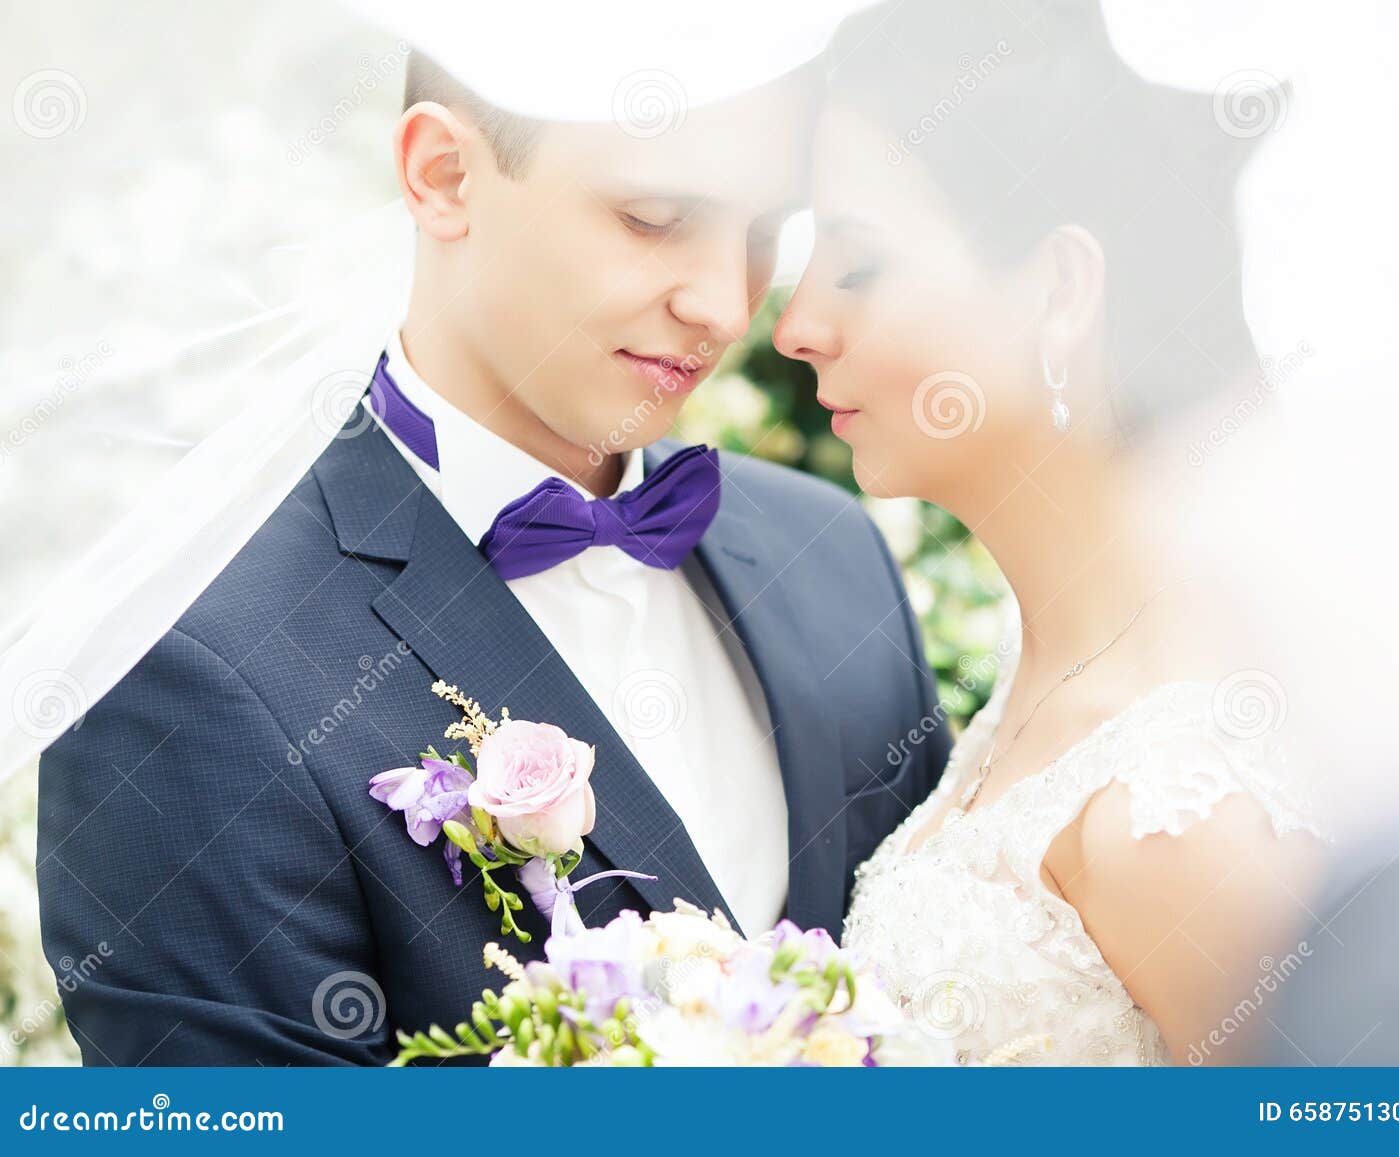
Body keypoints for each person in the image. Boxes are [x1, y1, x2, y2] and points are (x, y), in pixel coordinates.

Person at [36, 50, 949, 1065]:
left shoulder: (830, 552)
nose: (726, 306)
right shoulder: (186, 666)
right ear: (443, 175)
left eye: (767, 232)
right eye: (654, 216)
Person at [776, 0, 1322, 1064]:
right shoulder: (1047, 675)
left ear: (1060, 288)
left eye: (856, 263)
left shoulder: (1175, 805)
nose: (795, 324)